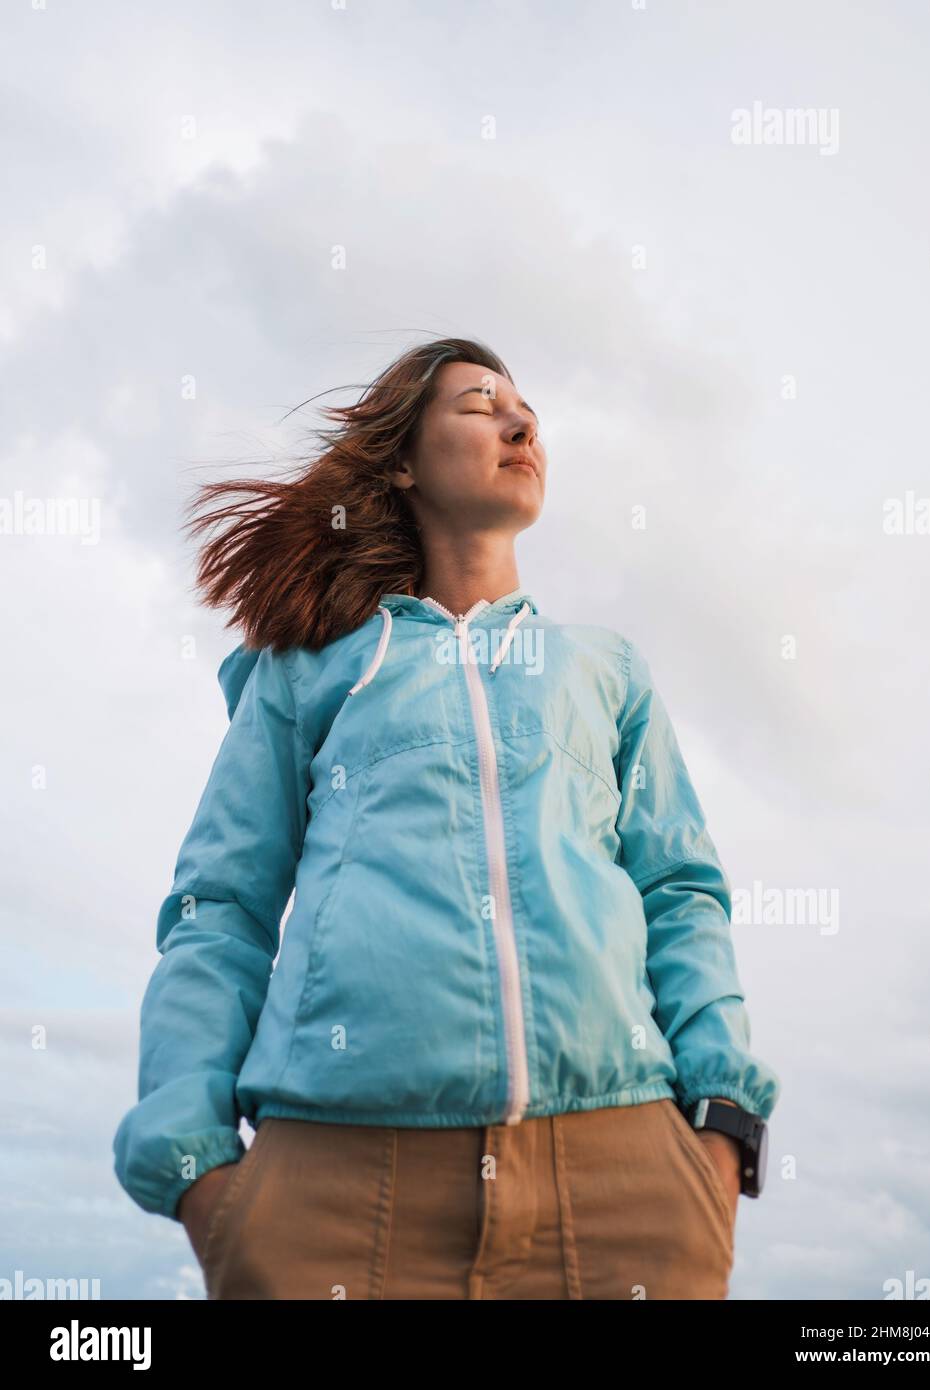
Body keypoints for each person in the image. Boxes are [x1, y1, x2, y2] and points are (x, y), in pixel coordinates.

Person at [112, 336, 780, 1300]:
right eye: (478, 405)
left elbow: (680, 895)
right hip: (335, 1190)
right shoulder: (308, 671)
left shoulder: (606, 669)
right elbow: (223, 911)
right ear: (402, 460)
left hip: (624, 1185)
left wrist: (720, 1134)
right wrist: (199, 1173)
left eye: (527, 411)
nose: (520, 423)